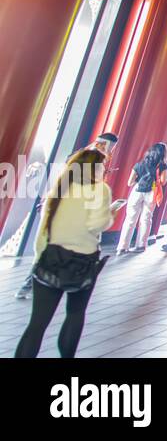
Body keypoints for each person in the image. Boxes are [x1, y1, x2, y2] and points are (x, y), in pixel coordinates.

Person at [14, 148, 126, 358]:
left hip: (51, 258)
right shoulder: (100, 190)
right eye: (103, 166)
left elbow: (44, 228)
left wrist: (39, 258)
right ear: (95, 168)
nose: (105, 170)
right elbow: (97, 224)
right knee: (74, 314)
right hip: (82, 261)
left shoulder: (60, 187)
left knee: (37, 325)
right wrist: (110, 213)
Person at [117, 142, 167, 254]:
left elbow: (129, 183)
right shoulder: (163, 166)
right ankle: (141, 245)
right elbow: (163, 181)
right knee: (146, 219)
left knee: (130, 219)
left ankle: (122, 246)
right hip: (152, 191)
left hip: (137, 191)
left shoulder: (139, 165)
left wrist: (139, 181)